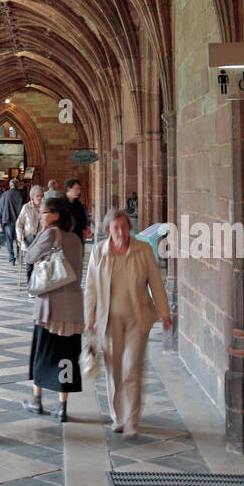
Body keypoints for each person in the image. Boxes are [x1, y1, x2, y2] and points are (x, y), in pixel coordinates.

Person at [85, 207, 171, 438]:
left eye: (124, 227)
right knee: (114, 371)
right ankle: (118, 417)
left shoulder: (142, 249)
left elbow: (155, 282)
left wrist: (164, 314)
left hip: (137, 318)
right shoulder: (99, 252)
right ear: (108, 230)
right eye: (116, 228)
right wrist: (89, 318)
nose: (121, 232)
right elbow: (91, 288)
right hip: (108, 321)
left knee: (131, 367)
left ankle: (132, 420)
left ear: (129, 228)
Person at [22, 194, 84, 421]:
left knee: (43, 353)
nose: (40, 216)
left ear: (56, 215)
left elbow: (29, 256)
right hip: (73, 307)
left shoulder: (50, 234)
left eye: (43, 212)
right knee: (67, 357)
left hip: (51, 307)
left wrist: (41, 233)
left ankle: (37, 400)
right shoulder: (75, 238)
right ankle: (62, 406)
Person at [16, 184, 44, 280]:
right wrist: (20, 235)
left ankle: (38, 284)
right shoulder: (26, 207)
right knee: (30, 265)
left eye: (41, 196)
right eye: (37, 196)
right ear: (32, 196)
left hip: (40, 240)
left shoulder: (44, 207)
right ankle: (30, 285)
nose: (39, 198)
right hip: (29, 239)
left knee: (40, 264)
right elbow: (19, 223)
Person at [0, 177, 25, 265]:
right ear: (18, 185)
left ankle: (11, 258)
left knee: (9, 239)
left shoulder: (5, 194)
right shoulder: (22, 194)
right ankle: (19, 257)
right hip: (19, 221)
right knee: (19, 239)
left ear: (10, 185)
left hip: (8, 219)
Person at [65, 178, 91, 244]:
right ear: (68, 189)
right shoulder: (61, 203)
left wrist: (86, 228)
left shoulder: (78, 204)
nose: (79, 192)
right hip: (66, 236)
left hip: (78, 236)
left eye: (79, 189)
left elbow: (83, 218)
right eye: (76, 189)